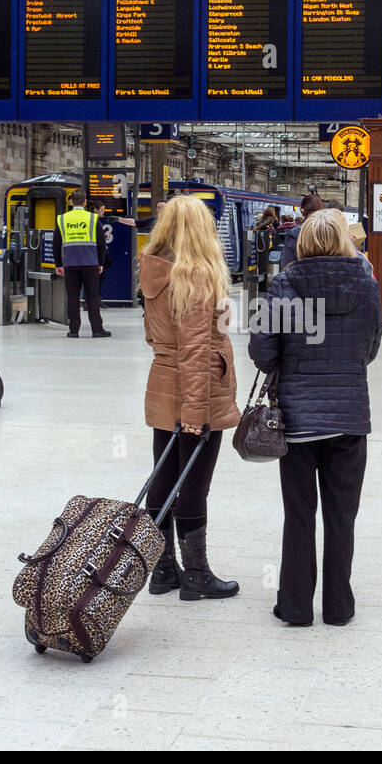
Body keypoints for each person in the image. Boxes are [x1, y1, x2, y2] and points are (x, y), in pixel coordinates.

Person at [249, 209, 382, 627]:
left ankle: (294, 606)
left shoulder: (283, 283)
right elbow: (370, 348)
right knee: (342, 517)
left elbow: (262, 352)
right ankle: (339, 608)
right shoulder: (366, 283)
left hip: (298, 419)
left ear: (302, 241)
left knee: (299, 514)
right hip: (348, 418)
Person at [139, 194, 241, 601]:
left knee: (163, 479)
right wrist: (196, 412)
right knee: (194, 485)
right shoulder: (195, 276)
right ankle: (196, 574)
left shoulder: (152, 271)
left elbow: (153, 337)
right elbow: (197, 351)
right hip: (197, 394)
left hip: (162, 383)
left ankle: (163, 570)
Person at [54, 188, 110, 338]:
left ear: (71, 201)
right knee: (92, 297)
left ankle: (73, 330)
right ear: (85, 202)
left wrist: (58, 264)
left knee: (72, 297)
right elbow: (101, 242)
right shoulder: (92, 218)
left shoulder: (62, 219)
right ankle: (97, 330)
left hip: (70, 264)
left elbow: (56, 243)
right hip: (90, 263)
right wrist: (101, 263)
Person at [281, 194, 326, 268]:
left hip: (300, 276)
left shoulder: (295, 233)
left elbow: (286, 263)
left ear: (302, 210)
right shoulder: (329, 231)